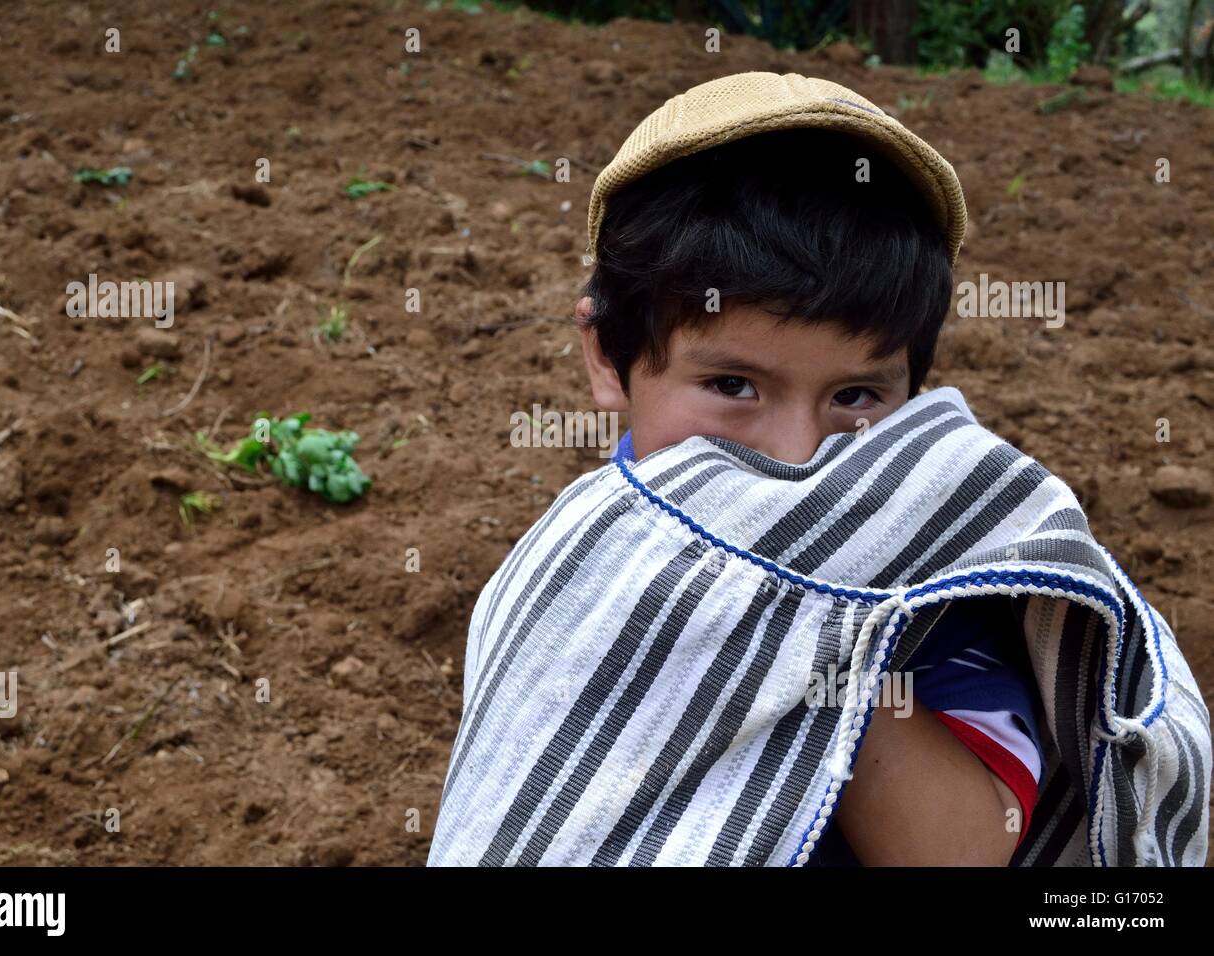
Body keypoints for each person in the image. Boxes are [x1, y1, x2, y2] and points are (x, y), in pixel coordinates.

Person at [428, 72, 1210, 867]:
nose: (796, 454)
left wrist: (806, 636)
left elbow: (967, 849)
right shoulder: (582, 562)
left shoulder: (931, 582)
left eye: (856, 395)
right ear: (608, 358)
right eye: (733, 386)